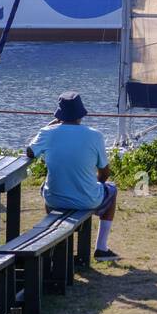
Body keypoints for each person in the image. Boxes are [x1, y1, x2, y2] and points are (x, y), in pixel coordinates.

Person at [25, 92, 120, 261]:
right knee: (111, 190)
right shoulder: (94, 135)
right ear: (81, 114)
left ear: (59, 114)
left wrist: (50, 125)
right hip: (88, 199)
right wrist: (92, 187)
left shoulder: (47, 132)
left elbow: (30, 151)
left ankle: (56, 238)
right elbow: (105, 172)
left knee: (45, 187)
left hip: (55, 199)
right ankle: (101, 248)